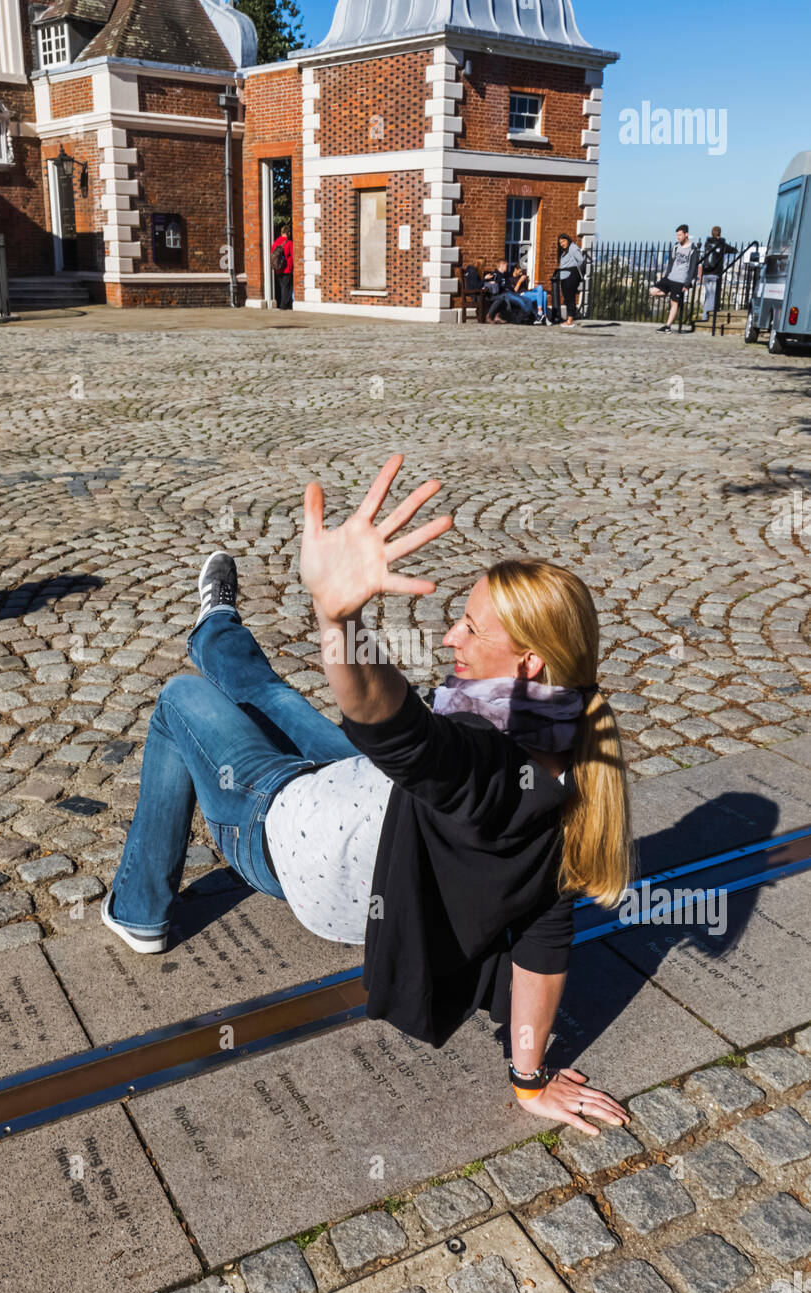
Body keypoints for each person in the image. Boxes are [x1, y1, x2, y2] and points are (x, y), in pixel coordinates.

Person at [102, 455, 634, 1135]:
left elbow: (399, 729)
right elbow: (545, 937)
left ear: (529, 662)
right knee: (271, 697)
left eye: (470, 628)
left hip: (281, 827)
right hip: (382, 798)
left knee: (182, 701)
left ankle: (139, 909)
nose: (450, 636)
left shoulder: (484, 767)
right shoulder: (569, 759)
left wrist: (342, 619)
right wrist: (528, 1082)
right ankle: (217, 626)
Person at [650, 224, 700, 333]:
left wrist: (687, 284)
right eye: (677, 235)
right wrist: (666, 275)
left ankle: (667, 326)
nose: (678, 237)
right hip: (670, 277)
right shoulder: (676, 247)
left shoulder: (693, 250)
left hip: (680, 280)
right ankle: (672, 294)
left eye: (680, 235)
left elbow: (692, 269)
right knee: (653, 291)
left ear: (686, 234)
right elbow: (671, 263)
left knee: (674, 303)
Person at [698, 225, 737, 322]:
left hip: (706, 273)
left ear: (711, 233)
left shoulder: (707, 243)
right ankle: (709, 317)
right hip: (715, 273)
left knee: (708, 295)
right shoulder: (722, 244)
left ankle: (705, 316)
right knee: (713, 295)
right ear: (720, 233)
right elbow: (734, 250)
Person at [555, 233, 585, 326]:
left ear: (568, 240)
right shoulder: (565, 251)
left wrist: (573, 268)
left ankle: (570, 320)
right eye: (560, 243)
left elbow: (580, 260)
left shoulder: (573, 248)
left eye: (563, 241)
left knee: (570, 297)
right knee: (567, 298)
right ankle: (569, 318)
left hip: (571, 275)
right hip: (564, 275)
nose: (562, 244)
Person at [270, 223, 294, 310]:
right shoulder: (290, 243)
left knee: (281, 287)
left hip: (278, 269)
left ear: (281, 232)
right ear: (289, 233)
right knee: (286, 287)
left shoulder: (275, 243)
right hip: (287, 269)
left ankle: (283, 304)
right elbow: (292, 256)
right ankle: (283, 306)